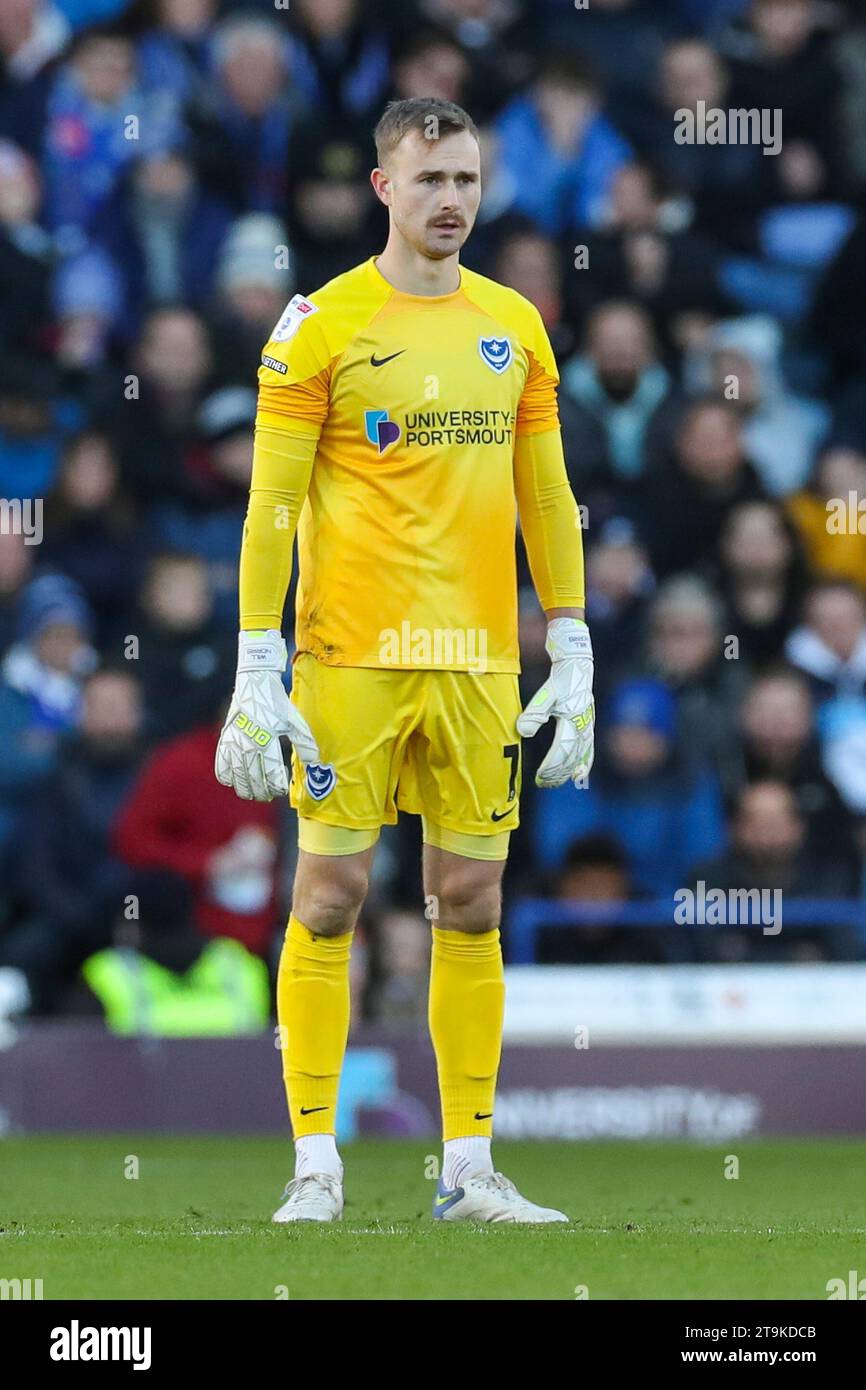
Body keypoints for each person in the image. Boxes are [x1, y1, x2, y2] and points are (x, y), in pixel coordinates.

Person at [215, 97, 594, 1225]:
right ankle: (315, 1164)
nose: (450, 201)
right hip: (349, 661)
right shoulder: (320, 327)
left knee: (468, 902)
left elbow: (545, 496)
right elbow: (269, 509)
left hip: (477, 663)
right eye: (429, 180)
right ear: (383, 188)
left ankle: (468, 1169)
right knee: (329, 898)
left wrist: (567, 642)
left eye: (468, 181)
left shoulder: (514, 324)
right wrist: (253, 663)